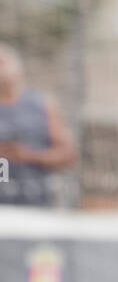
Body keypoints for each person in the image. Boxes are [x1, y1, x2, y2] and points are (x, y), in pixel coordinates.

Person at [0, 43, 78, 207]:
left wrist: (27, 155)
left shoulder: (41, 105)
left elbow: (68, 155)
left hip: (36, 202)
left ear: (18, 68)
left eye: (2, 62)